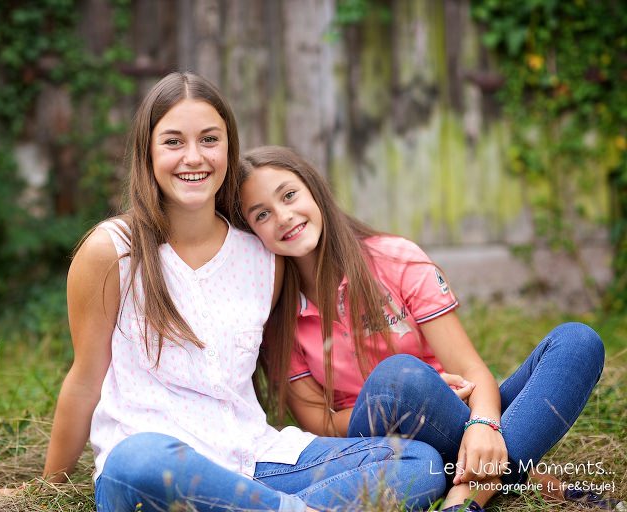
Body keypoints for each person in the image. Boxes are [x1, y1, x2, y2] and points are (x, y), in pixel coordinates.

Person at [0, 74, 447, 511]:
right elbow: (85, 379)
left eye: (209, 141)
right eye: (173, 142)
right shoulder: (112, 251)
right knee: (136, 459)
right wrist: (46, 487)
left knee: (421, 462)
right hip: (159, 474)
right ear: (148, 153)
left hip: (260, 461)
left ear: (229, 150)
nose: (193, 157)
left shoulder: (263, 257)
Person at [236, 145, 618, 512]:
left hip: (450, 412)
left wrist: (482, 423)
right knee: (401, 380)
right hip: (377, 441)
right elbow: (319, 423)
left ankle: (466, 495)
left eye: (288, 195)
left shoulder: (394, 258)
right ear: (251, 233)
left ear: (314, 191)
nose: (283, 216)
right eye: (262, 215)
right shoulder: (274, 314)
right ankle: (526, 476)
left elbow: (473, 374)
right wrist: (399, 397)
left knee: (577, 342)